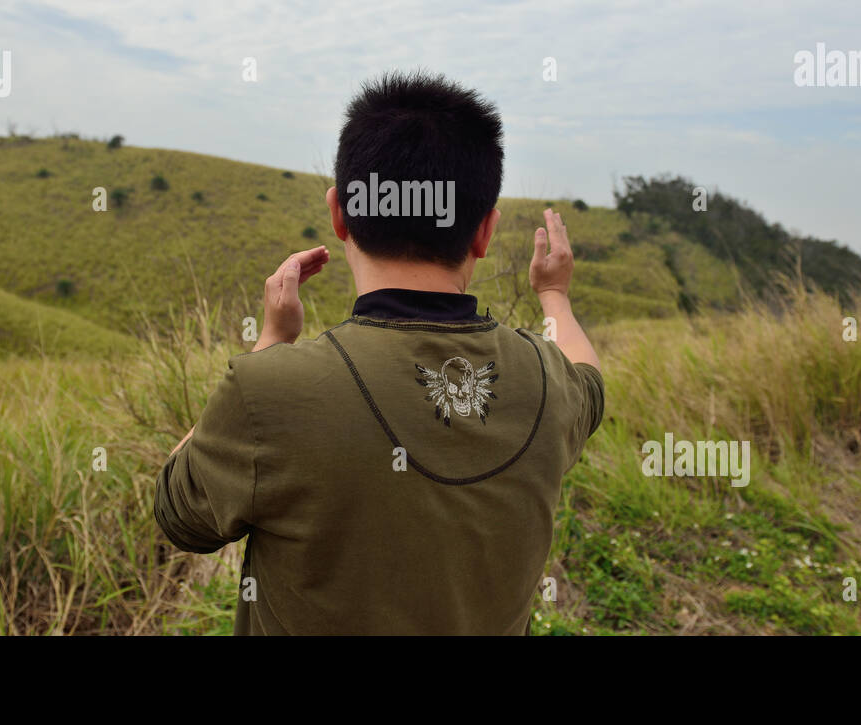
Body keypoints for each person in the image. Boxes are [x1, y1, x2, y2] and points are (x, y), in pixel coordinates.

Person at [154, 70, 605, 634]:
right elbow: (588, 374)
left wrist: (269, 343)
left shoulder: (268, 391)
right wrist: (554, 295)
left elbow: (181, 514)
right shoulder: (548, 382)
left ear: (340, 214)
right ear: (484, 232)